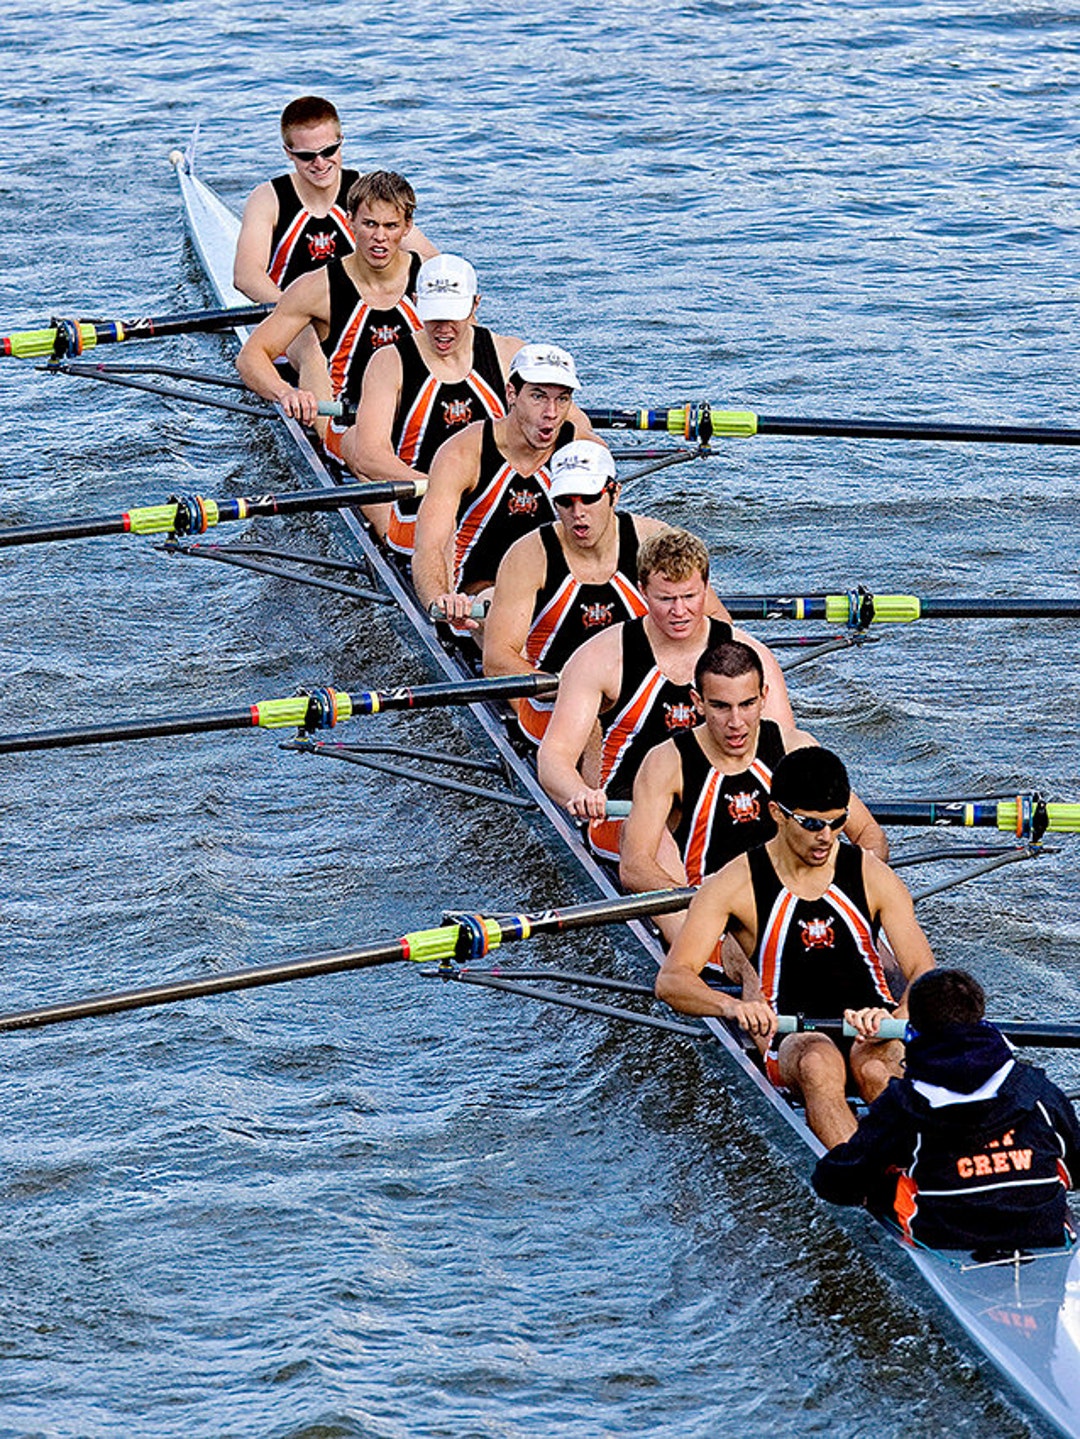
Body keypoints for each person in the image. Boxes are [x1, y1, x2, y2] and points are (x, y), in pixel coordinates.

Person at [656, 747, 936, 1148]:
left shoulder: (871, 874)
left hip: (872, 1026)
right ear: (776, 813)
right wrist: (731, 1007)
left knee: (878, 1071)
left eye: (837, 823)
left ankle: (925, 1167)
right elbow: (672, 979)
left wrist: (896, 1015)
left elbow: (924, 971)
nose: (826, 837)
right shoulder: (733, 883)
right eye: (812, 824)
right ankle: (861, 1175)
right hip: (792, 1034)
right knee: (819, 1064)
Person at [536, 527, 795, 861]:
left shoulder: (750, 656)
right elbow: (554, 758)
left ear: (706, 589)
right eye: (666, 599)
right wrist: (581, 794)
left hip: (724, 806)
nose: (679, 611)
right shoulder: (600, 657)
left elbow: (785, 754)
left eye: (689, 597)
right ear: (642, 591)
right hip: (628, 811)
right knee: (660, 835)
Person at [620, 638, 888, 947]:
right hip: (719, 918)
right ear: (698, 702)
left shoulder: (795, 749)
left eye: (747, 704)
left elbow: (869, 833)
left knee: (884, 958)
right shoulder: (667, 762)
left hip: (800, 903)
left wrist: (853, 878)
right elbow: (634, 868)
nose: (736, 723)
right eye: (721, 706)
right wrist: (709, 898)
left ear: (763, 698)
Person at [813, 969, 1080, 1251]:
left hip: (943, 1238)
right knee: (1050, 1152)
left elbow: (837, 1184)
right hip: (1042, 1233)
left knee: (876, 1176)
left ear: (914, 1025)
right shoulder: (1037, 1089)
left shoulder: (904, 1102)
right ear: (979, 1016)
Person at [483, 440, 674, 744]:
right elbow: (497, 660)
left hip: (642, 699)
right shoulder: (529, 556)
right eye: (565, 501)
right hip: (555, 705)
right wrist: (578, 689)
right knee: (593, 728)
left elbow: (716, 623)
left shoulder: (656, 542)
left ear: (614, 493)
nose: (577, 513)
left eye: (589, 498)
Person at [339, 254, 525, 552]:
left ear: (475, 305)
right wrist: (444, 489)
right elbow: (369, 455)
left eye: (453, 316)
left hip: (493, 507)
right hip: (421, 511)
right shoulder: (389, 362)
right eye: (435, 316)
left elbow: (571, 425)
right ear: (415, 303)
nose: (443, 328)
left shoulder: (509, 354)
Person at [412, 346, 601, 634]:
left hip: (553, 592)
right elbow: (430, 545)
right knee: (499, 605)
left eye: (562, 399)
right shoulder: (464, 452)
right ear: (511, 394)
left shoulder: (585, 452)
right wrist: (440, 599)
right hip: (481, 598)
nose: (551, 413)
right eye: (538, 397)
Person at [236, 170, 431, 441]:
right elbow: (250, 357)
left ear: (407, 227)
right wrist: (287, 393)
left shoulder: (429, 279)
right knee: (306, 341)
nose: (380, 236)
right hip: (348, 425)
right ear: (350, 221)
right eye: (370, 224)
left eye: (390, 226)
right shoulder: (315, 289)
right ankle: (326, 436)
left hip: (414, 418)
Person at [232, 96, 434, 301]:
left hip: (359, 310)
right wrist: (296, 311)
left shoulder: (366, 191)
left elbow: (432, 260)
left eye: (328, 151)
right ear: (288, 153)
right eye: (306, 156)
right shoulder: (268, 199)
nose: (320, 163)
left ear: (341, 142)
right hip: (290, 310)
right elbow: (247, 277)